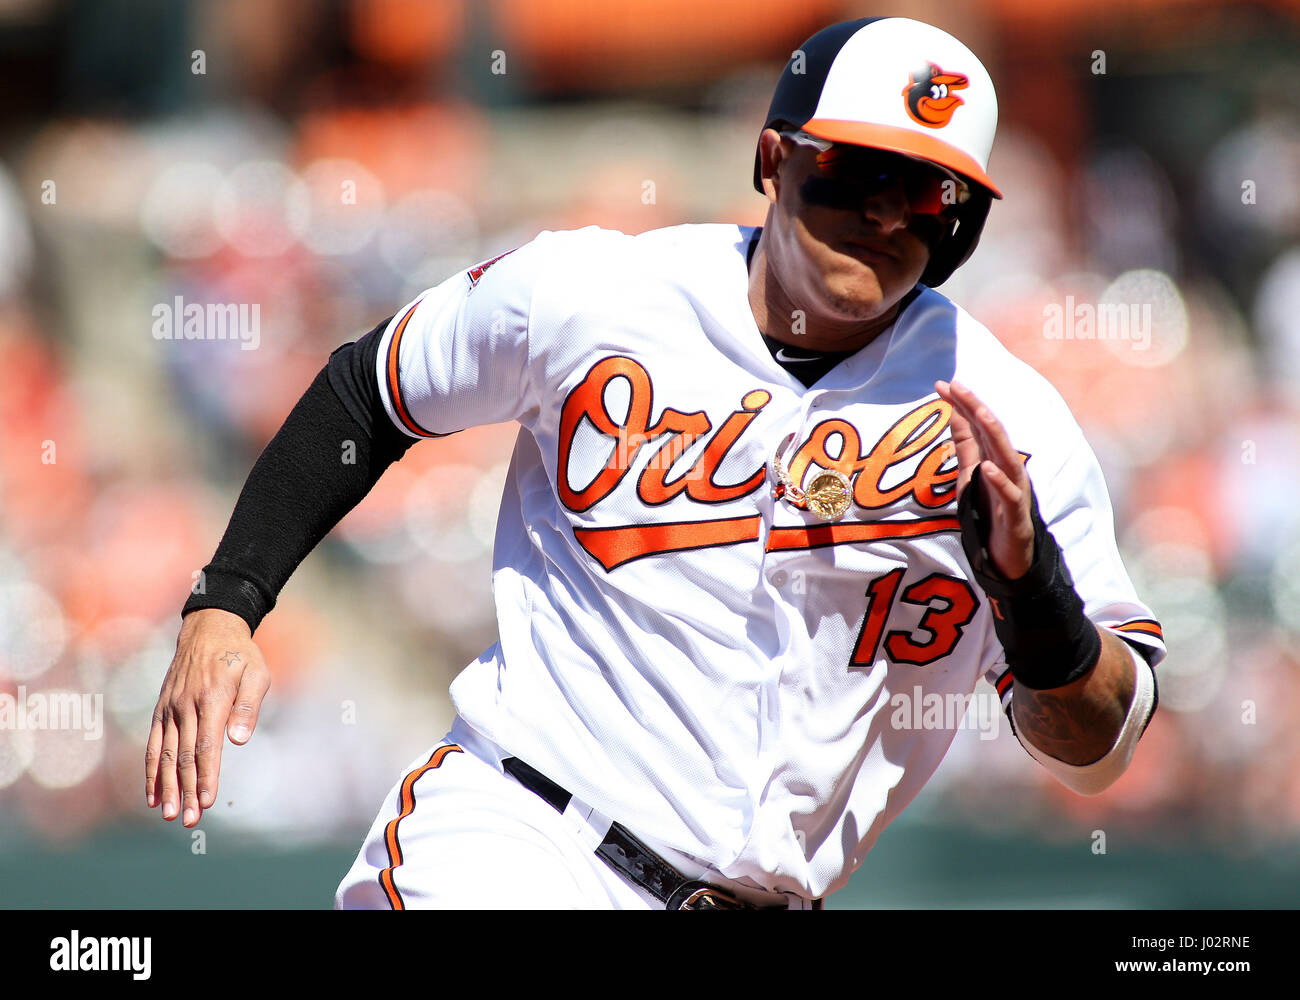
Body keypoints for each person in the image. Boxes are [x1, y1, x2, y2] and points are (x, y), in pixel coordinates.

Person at [146, 16, 1165, 909]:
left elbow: (1094, 749)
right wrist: (227, 601)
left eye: (936, 195)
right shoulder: (596, 294)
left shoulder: (1008, 429)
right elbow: (368, 391)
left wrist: (1036, 605)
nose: (892, 216)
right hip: (522, 836)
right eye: (863, 172)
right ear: (774, 158)